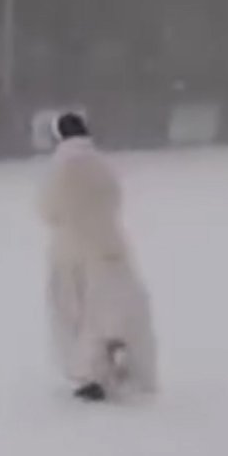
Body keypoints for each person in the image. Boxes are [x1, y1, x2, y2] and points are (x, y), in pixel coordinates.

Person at [39, 112, 157, 402]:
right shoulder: (103, 164)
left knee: (75, 312)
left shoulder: (59, 167)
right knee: (112, 305)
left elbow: (48, 209)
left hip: (73, 249)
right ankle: (118, 352)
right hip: (109, 244)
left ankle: (91, 374)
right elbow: (115, 198)